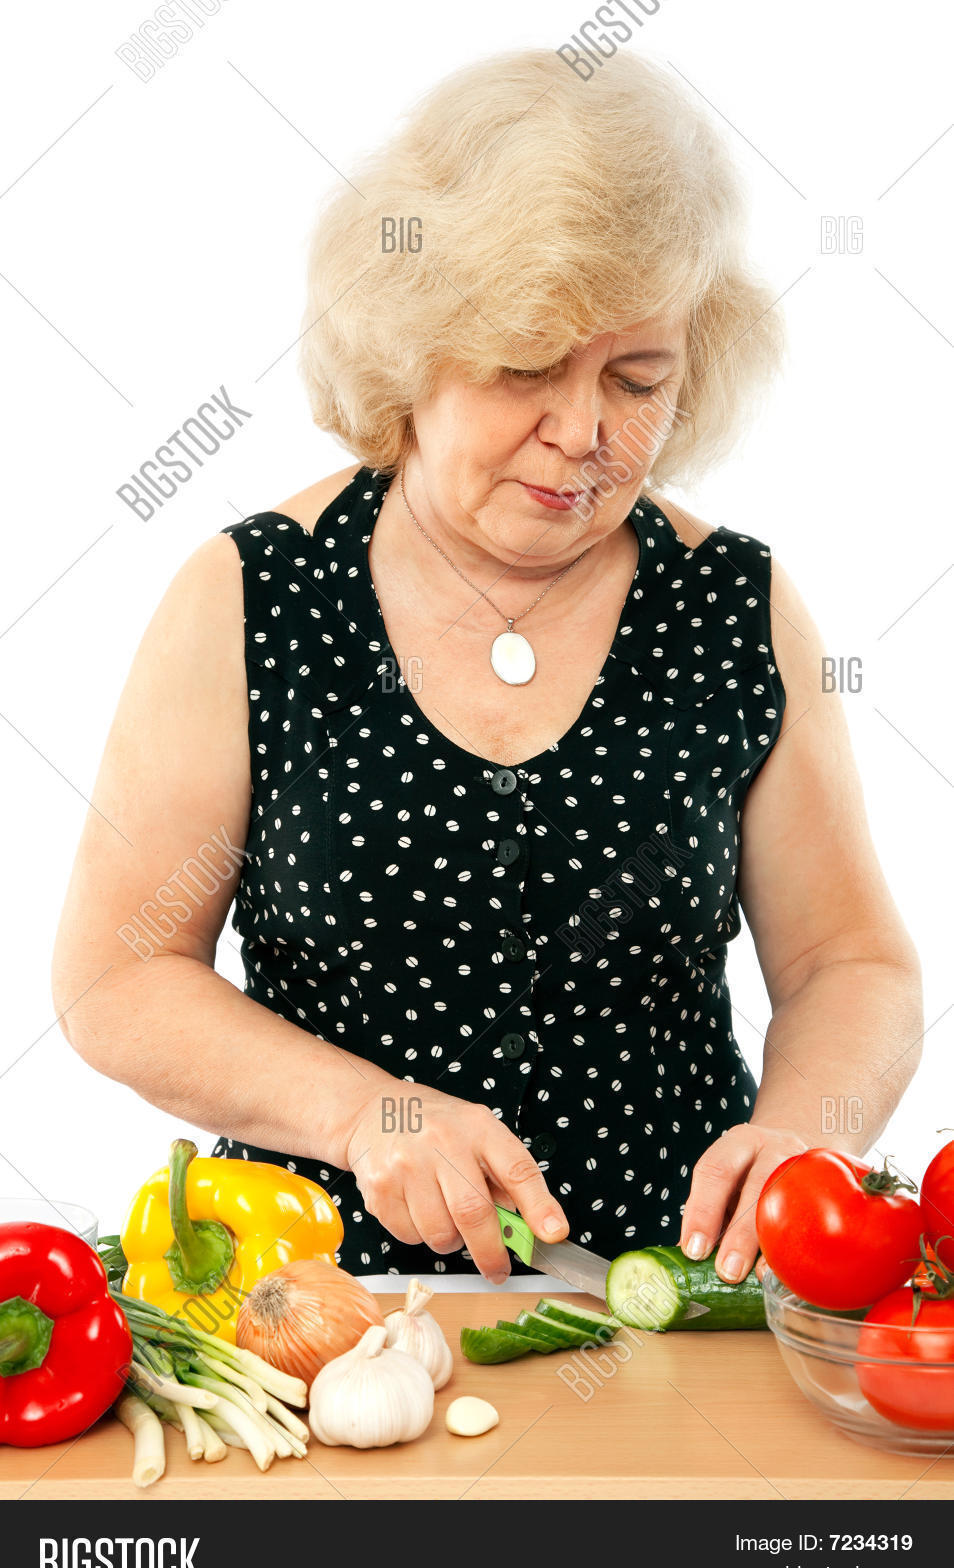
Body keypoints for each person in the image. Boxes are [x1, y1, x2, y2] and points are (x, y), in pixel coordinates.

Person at [52, 48, 923, 1286]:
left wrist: (805, 1135)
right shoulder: (251, 598)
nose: (582, 435)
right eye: (525, 369)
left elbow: (852, 962)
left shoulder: (739, 607)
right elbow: (117, 974)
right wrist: (369, 1116)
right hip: (327, 1306)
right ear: (415, 351)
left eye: (638, 379)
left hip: (674, 1302)